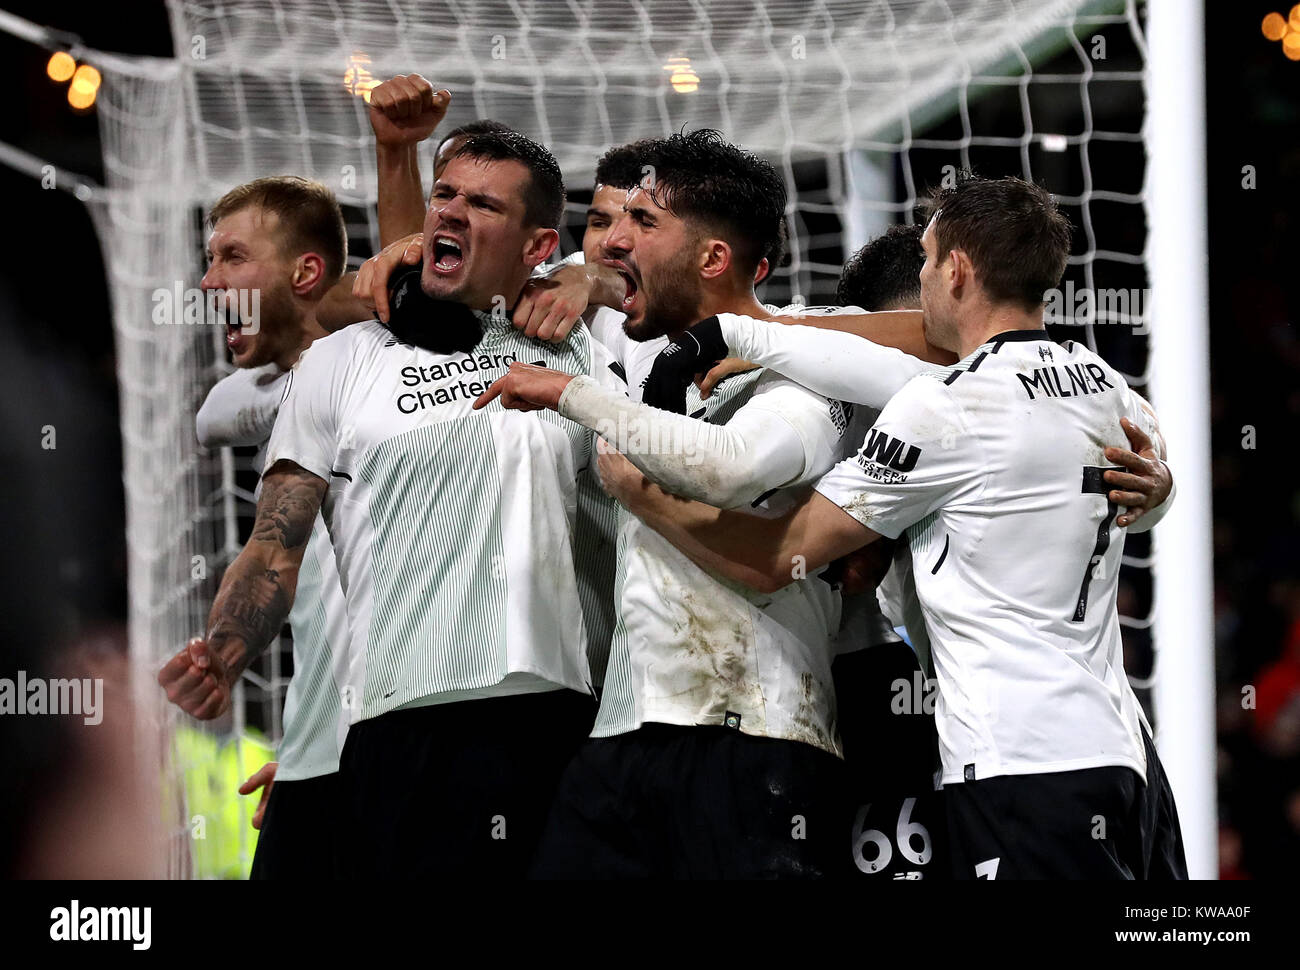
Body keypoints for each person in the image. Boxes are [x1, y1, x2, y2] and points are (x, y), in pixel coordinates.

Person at [597, 174, 1186, 880]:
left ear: (957, 272)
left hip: (1022, 767)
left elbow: (772, 557)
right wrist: (748, 333)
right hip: (1118, 755)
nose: (928, 278)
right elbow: (1146, 471)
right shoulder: (1097, 381)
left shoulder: (944, 408)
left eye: (932, 261)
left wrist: (642, 492)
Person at [476, 130, 944, 878]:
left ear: (712, 259)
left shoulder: (802, 375)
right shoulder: (644, 361)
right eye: (613, 221)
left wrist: (571, 395)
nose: (612, 243)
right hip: (625, 736)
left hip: (753, 737)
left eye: (643, 224)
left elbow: (735, 466)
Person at [158, 130, 618, 878]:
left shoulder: (571, 344)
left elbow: (663, 289)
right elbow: (275, 545)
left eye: (483, 204)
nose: (453, 213)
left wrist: (589, 283)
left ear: (536, 245)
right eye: (444, 196)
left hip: (551, 717)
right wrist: (226, 649)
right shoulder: (342, 361)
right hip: (392, 724)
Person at [182, 174, 350, 879]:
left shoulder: (387, 368)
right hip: (316, 750)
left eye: (232, 257)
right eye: (209, 259)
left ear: (306, 270)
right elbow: (215, 413)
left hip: (402, 746)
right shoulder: (267, 392)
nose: (209, 279)